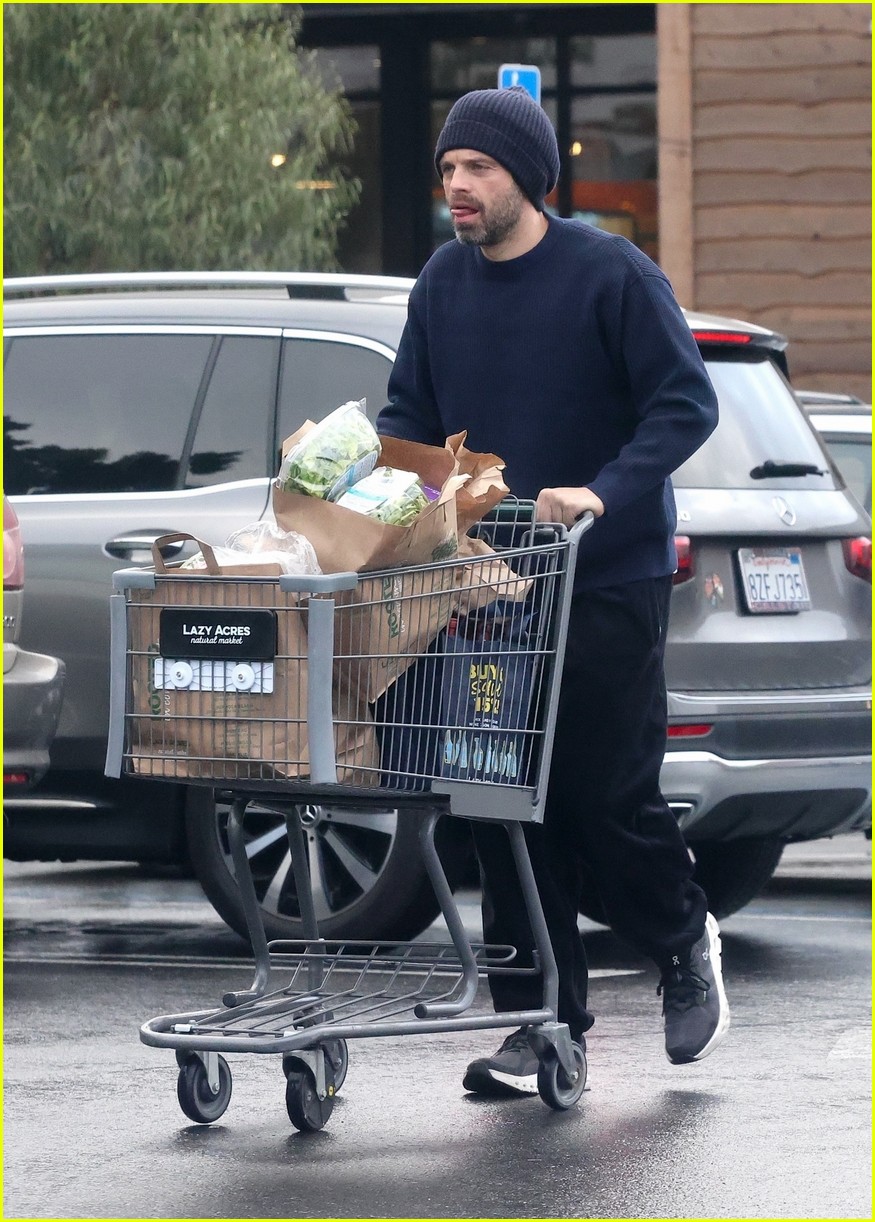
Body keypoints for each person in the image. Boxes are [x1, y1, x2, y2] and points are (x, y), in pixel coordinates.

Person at [376, 86, 729, 1096]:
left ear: (528, 177)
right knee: (498, 803)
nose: (456, 186)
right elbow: (409, 417)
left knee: (600, 798)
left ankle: (680, 940)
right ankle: (539, 1022)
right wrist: (389, 502)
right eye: (447, 169)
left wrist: (602, 494)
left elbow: (682, 403)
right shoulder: (441, 285)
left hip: (604, 579)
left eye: (476, 169)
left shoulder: (609, 274)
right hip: (490, 591)